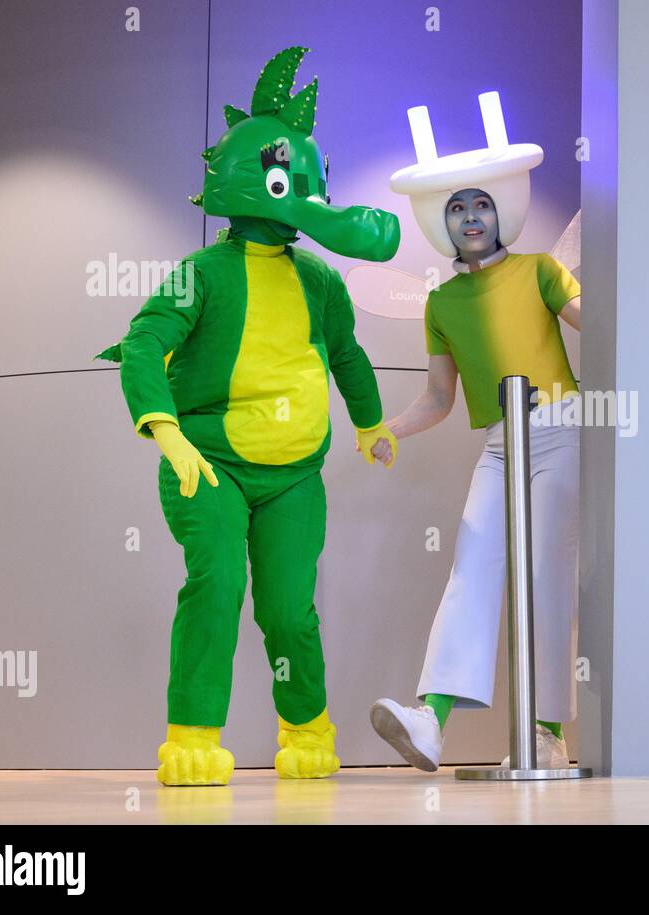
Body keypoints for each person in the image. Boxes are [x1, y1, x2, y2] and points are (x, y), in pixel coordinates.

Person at [97, 47, 400, 785]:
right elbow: (143, 346)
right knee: (219, 585)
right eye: (284, 181)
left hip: (296, 476)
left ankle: (306, 727)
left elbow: (348, 355)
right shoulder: (202, 273)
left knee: (291, 610)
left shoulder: (321, 278)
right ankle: (192, 733)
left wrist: (371, 421)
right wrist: (165, 432)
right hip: (211, 466)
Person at [368, 94, 582, 770]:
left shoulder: (540, 270)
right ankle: (429, 721)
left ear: (501, 211)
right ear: (443, 220)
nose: (470, 218)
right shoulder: (441, 302)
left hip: (560, 426)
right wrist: (389, 428)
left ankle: (547, 732)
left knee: (548, 573)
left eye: (481, 205)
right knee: (472, 561)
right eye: (457, 208)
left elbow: (597, 324)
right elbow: (439, 394)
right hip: (499, 440)